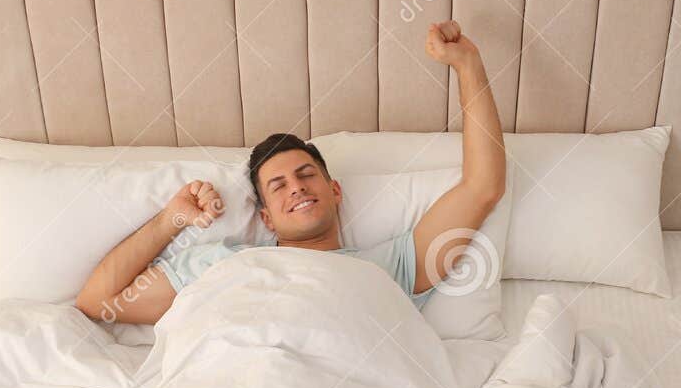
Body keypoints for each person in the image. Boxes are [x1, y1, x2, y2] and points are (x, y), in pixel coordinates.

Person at [75, 21, 505, 325]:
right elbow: (98, 301)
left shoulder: (389, 266)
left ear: (334, 190)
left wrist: (468, 65)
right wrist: (173, 218)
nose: (296, 187)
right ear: (265, 217)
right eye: (278, 186)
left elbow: (482, 188)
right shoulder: (221, 264)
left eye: (306, 175)